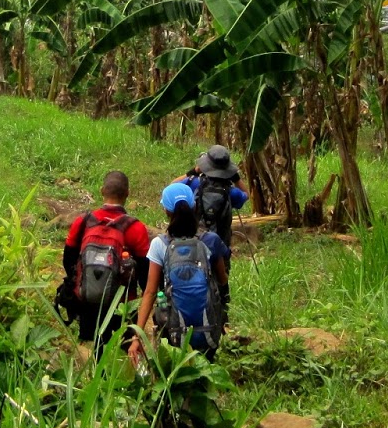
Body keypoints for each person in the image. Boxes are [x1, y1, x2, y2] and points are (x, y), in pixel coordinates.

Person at [129, 183, 230, 364]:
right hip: (208, 324)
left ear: (166, 211)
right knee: (206, 372)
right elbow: (222, 281)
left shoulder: (159, 245)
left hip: (172, 326)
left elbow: (150, 292)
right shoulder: (211, 240)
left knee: (176, 374)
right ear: (194, 206)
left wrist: (137, 336)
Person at [59, 171, 150, 358]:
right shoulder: (136, 228)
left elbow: (68, 259)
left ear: (102, 191)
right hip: (123, 303)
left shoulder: (83, 222)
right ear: (127, 194)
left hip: (89, 300)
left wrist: (81, 285)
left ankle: (96, 379)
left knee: (97, 347)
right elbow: (144, 272)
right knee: (123, 352)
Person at [176, 144, 248, 248]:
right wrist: (235, 178)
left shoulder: (194, 184)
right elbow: (246, 194)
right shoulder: (233, 193)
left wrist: (194, 172)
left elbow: (172, 186)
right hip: (220, 246)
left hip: (195, 245)